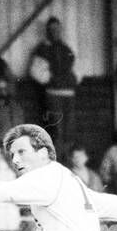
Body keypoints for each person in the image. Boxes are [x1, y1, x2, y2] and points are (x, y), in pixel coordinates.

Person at [31, 17, 78, 148]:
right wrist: (52, 80)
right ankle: (57, 162)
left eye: (57, 29)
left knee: (69, 131)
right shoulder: (42, 49)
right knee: (57, 130)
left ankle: (68, 163)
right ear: (47, 31)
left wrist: (72, 80)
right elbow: (35, 72)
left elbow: (75, 67)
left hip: (69, 94)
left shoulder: (66, 48)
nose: (54, 32)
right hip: (53, 94)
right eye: (51, 29)